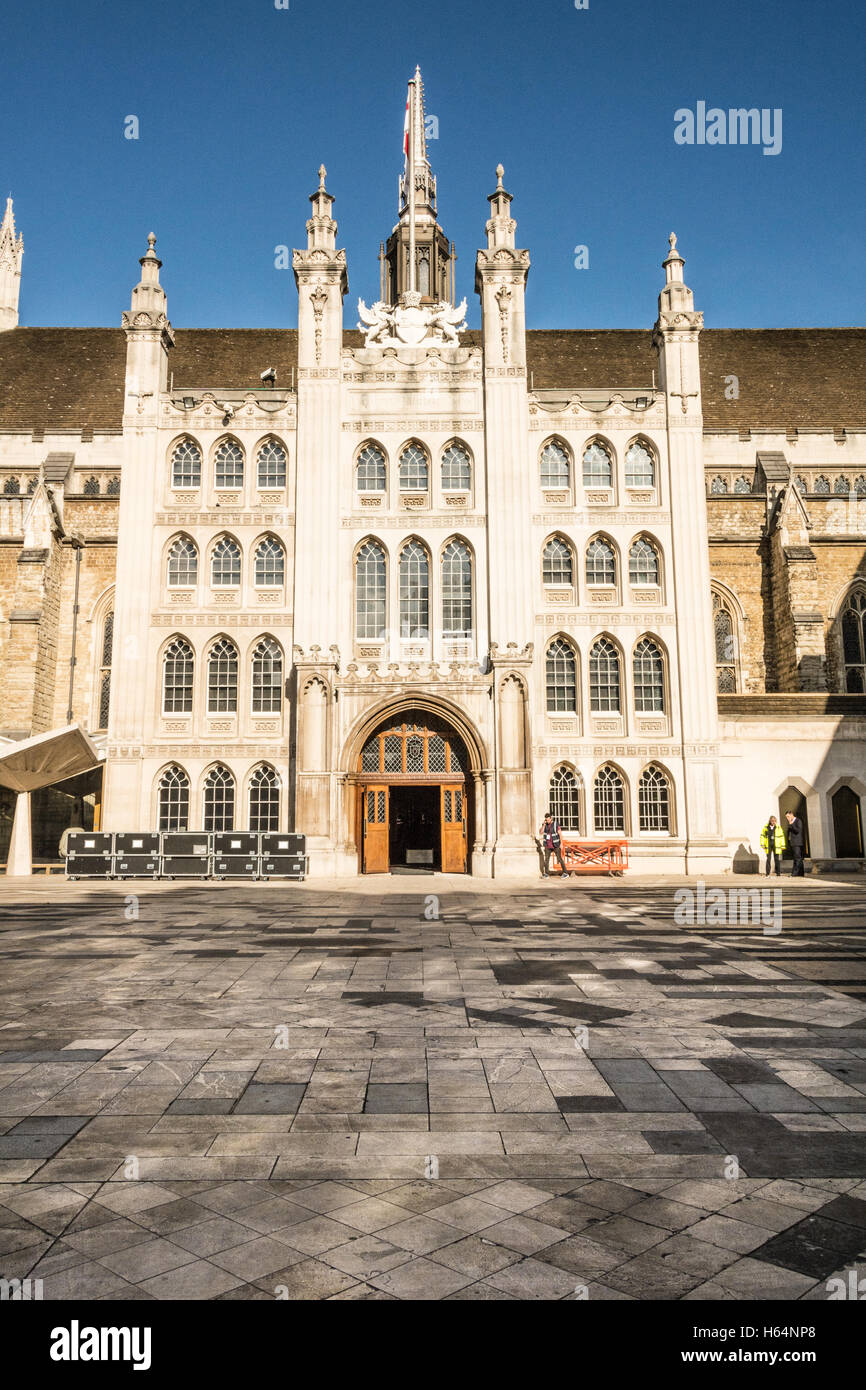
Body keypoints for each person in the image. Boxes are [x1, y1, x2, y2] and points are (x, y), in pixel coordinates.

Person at [539, 812, 570, 879]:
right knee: (546, 860)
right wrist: (544, 825)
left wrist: (561, 844)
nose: (547, 821)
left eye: (548, 819)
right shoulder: (545, 825)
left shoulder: (556, 824)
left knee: (560, 859)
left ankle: (565, 873)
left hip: (556, 845)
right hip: (547, 845)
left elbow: (560, 834)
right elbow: (541, 832)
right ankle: (546, 874)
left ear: (551, 818)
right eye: (546, 820)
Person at [785, 810, 806, 877]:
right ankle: (801, 873)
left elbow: (798, 831)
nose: (787, 818)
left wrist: (791, 825)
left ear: (791, 814)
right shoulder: (790, 822)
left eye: (788, 816)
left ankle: (794, 873)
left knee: (797, 858)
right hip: (792, 842)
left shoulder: (798, 821)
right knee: (797, 858)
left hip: (797, 842)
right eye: (786, 817)